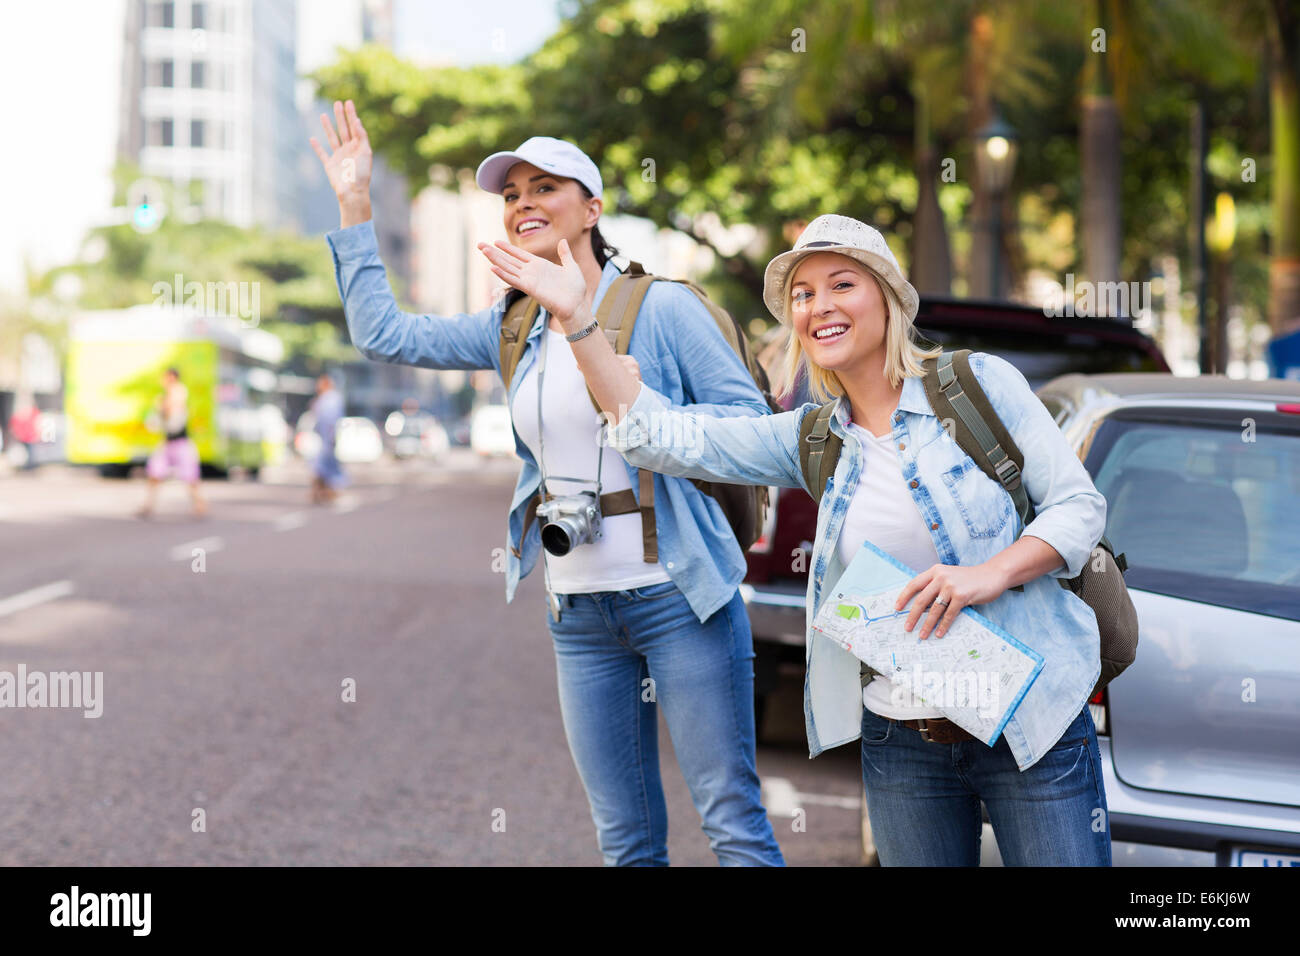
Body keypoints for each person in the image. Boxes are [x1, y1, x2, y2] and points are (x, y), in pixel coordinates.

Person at [480, 213, 1113, 866]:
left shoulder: (977, 385)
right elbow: (654, 436)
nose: (819, 306)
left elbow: (1077, 506)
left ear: (889, 298)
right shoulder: (813, 437)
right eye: (803, 295)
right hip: (903, 737)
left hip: (1029, 723)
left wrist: (991, 572)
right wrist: (580, 322)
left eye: (841, 284)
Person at [310, 100, 784, 866]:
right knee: (625, 841)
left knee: (731, 820)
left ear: (592, 208)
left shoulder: (663, 308)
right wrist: (355, 201)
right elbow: (383, 334)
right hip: (579, 611)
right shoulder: (515, 326)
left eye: (545, 188)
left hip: (680, 595)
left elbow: (749, 430)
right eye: (511, 195)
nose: (524, 203)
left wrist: (643, 406)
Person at [138, 367, 206, 518]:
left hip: (181, 442)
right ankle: (148, 505)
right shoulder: (165, 396)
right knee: (154, 472)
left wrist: (162, 405)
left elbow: (172, 409)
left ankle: (199, 504)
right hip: (168, 442)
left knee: (190, 477)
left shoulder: (178, 392)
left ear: (172, 378)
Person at [309, 373, 346, 504]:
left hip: (327, 438)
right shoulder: (324, 399)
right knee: (322, 467)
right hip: (322, 439)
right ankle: (322, 492)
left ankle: (325, 492)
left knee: (324, 466)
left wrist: (331, 437)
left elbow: (331, 420)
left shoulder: (331, 399)